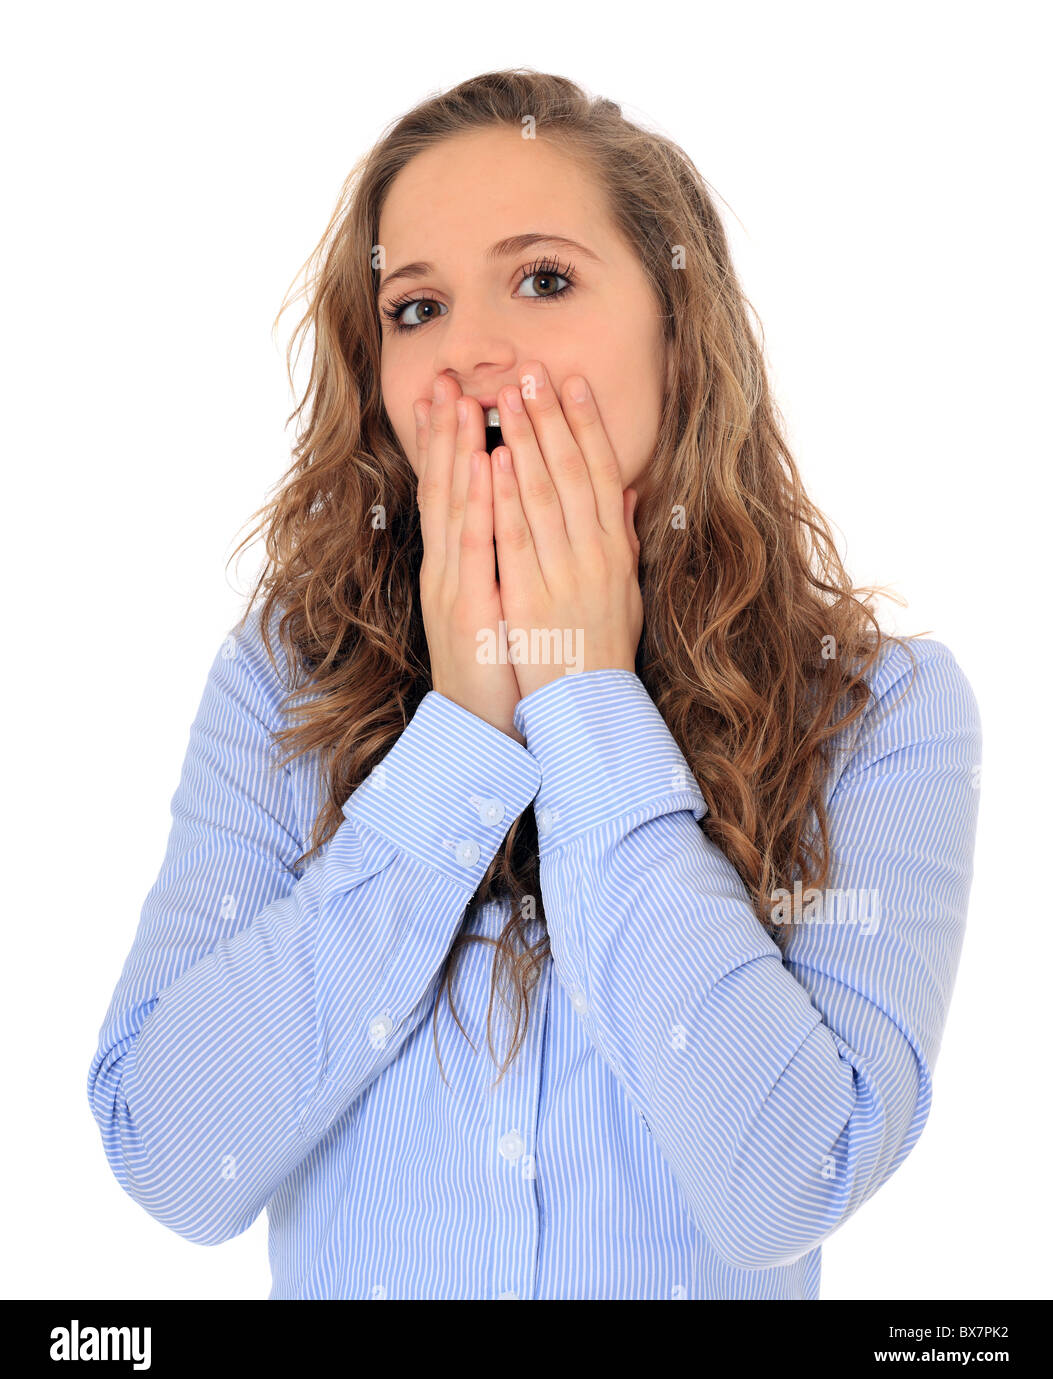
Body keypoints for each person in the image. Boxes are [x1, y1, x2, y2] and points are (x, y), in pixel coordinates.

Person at [87, 69, 982, 1300]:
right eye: (417, 308)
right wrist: (459, 736)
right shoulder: (281, 683)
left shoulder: (877, 715)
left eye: (545, 280)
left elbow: (785, 1179)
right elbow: (175, 1159)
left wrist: (583, 700)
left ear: (680, 326)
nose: (470, 357)